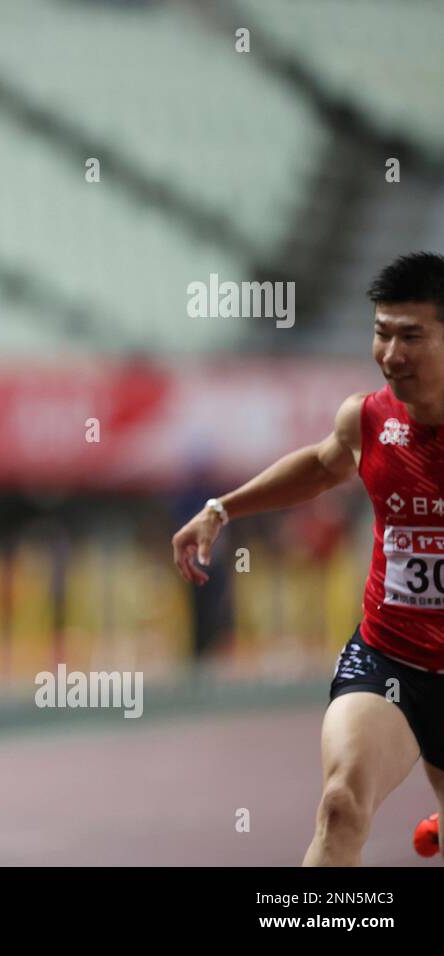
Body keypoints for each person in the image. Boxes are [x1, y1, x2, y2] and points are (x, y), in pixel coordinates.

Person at [172, 251, 444, 866]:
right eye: (382, 334)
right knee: (342, 805)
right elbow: (324, 465)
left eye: (412, 337)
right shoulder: (370, 418)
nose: (392, 355)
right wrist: (220, 509)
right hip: (391, 657)